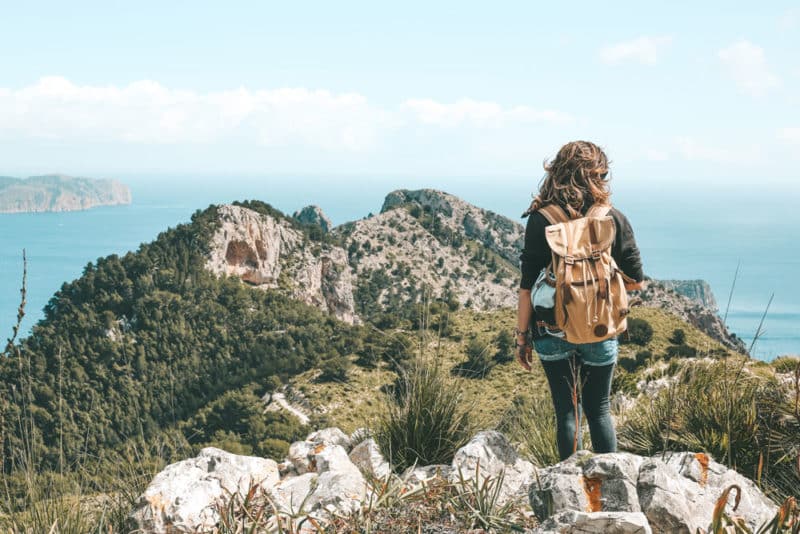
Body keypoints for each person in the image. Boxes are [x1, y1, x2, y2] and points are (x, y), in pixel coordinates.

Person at [514, 140, 644, 461]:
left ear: (556, 173)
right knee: (599, 410)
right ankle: (610, 489)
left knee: (567, 413)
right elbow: (637, 281)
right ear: (599, 175)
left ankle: (570, 488)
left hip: (550, 328)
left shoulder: (542, 219)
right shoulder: (612, 218)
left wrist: (521, 338)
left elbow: (527, 287)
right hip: (600, 326)